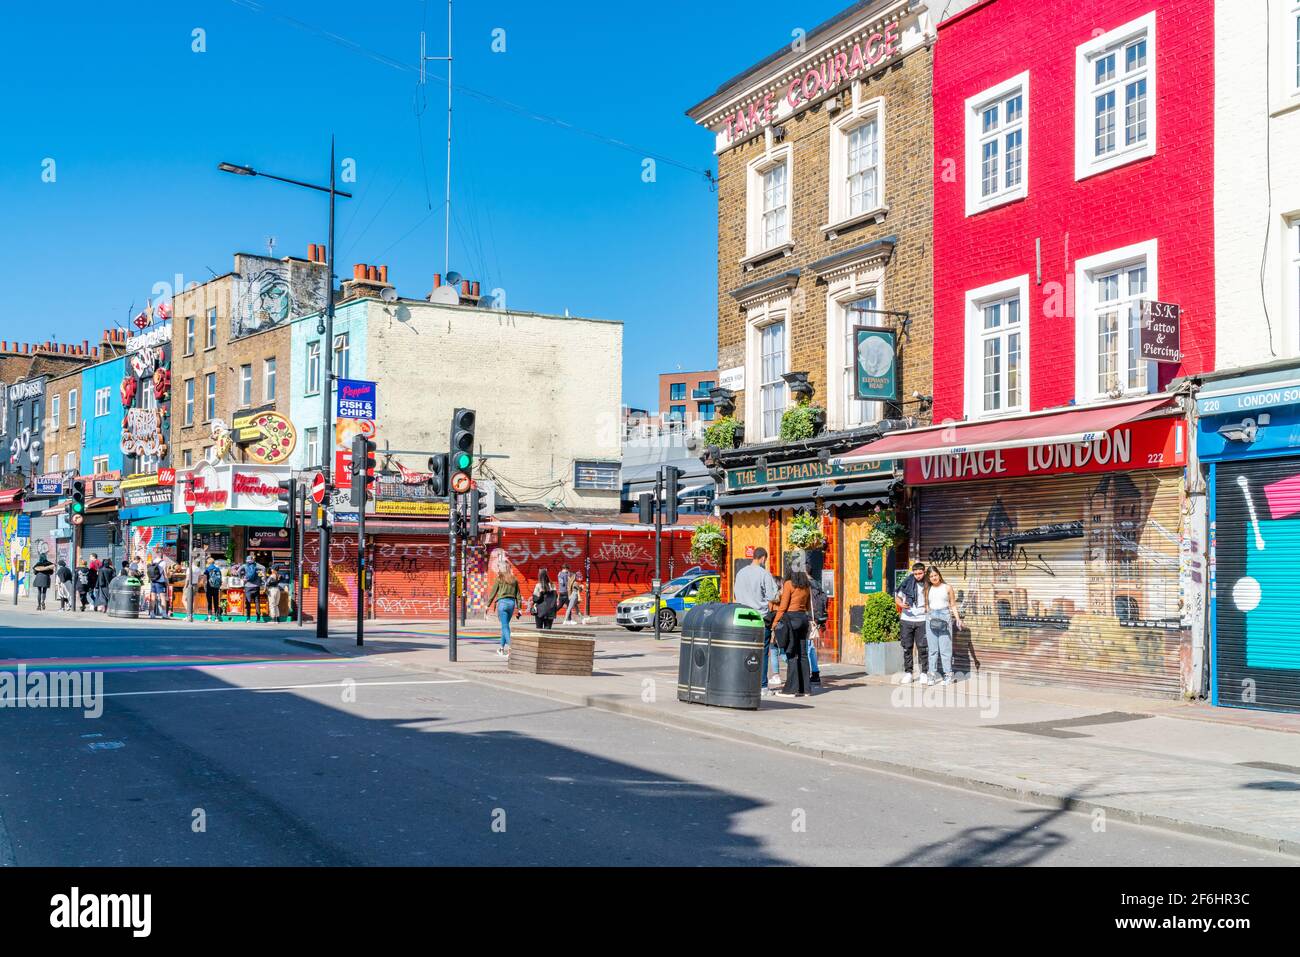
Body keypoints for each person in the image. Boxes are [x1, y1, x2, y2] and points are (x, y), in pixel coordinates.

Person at [733, 548, 781, 696]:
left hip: (741, 616)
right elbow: (773, 596)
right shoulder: (764, 574)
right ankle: (762, 686)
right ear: (762, 558)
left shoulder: (740, 573)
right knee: (762, 652)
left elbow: (735, 594)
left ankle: (741, 683)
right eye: (765, 560)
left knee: (742, 651)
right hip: (759, 617)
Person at [773, 568, 814, 697]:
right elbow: (807, 607)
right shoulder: (806, 585)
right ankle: (805, 689)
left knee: (791, 653)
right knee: (802, 654)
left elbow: (783, 606)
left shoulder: (788, 584)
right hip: (803, 619)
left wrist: (775, 623)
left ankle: (791, 689)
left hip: (791, 619)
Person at [924, 566, 962, 686]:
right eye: (931, 576)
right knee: (932, 650)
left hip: (945, 616)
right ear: (928, 578)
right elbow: (926, 605)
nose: (934, 578)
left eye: (935, 575)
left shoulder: (947, 587)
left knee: (945, 649)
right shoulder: (927, 589)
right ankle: (931, 675)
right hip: (931, 618)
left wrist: (958, 619)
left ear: (939, 575)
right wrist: (928, 614)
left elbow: (953, 605)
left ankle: (948, 675)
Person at [896, 562, 931, 685]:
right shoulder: (907, 583)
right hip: (907, 619)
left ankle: (923, 673)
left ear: (924, 572)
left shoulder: (929, 584)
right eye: (915, 573)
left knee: (923, 648)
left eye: (920, 573)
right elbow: (897, 597)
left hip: (922, 620)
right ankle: (908, 673)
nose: (918, 576)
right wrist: (900, 604)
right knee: (907, 647)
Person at [486, 565, 522, 656]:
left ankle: (511, 647)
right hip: (511, 604)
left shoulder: (499, 579)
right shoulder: (514, 579)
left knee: (505, 626)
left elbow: (493, 592)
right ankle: (501, 648)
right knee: (505, 626)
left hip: (502, 604)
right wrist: (519, 609)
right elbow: (518, 595)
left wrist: (487, 605)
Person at [808, 573, 827, 685]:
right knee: (811, 647)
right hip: (815, 618)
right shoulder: (817, 584)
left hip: (809, 618)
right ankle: (815, 673)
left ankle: (811, 673)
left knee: (808, 647)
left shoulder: (806, 585)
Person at [241, 555, 264, 622]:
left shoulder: (244, 565)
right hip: (256, 586)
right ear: (253, 559)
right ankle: (258, 618)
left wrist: (242, 578)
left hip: (248, 586)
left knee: (248, 602)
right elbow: (264, 568)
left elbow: (238, 570)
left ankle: (248, 618)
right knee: (257, 602)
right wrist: (263, 578)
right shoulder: (257, 565)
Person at [204, 556, 224, 622]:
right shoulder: (218, 569)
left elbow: (205, 579)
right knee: (216, 602)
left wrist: (205, 587)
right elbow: (221, 579)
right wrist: (219, 586)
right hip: (216, 588)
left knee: (209, 602)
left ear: (208, 562)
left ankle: (209, 617)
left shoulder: (207, 569)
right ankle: (216, 617)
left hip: (209, 587)